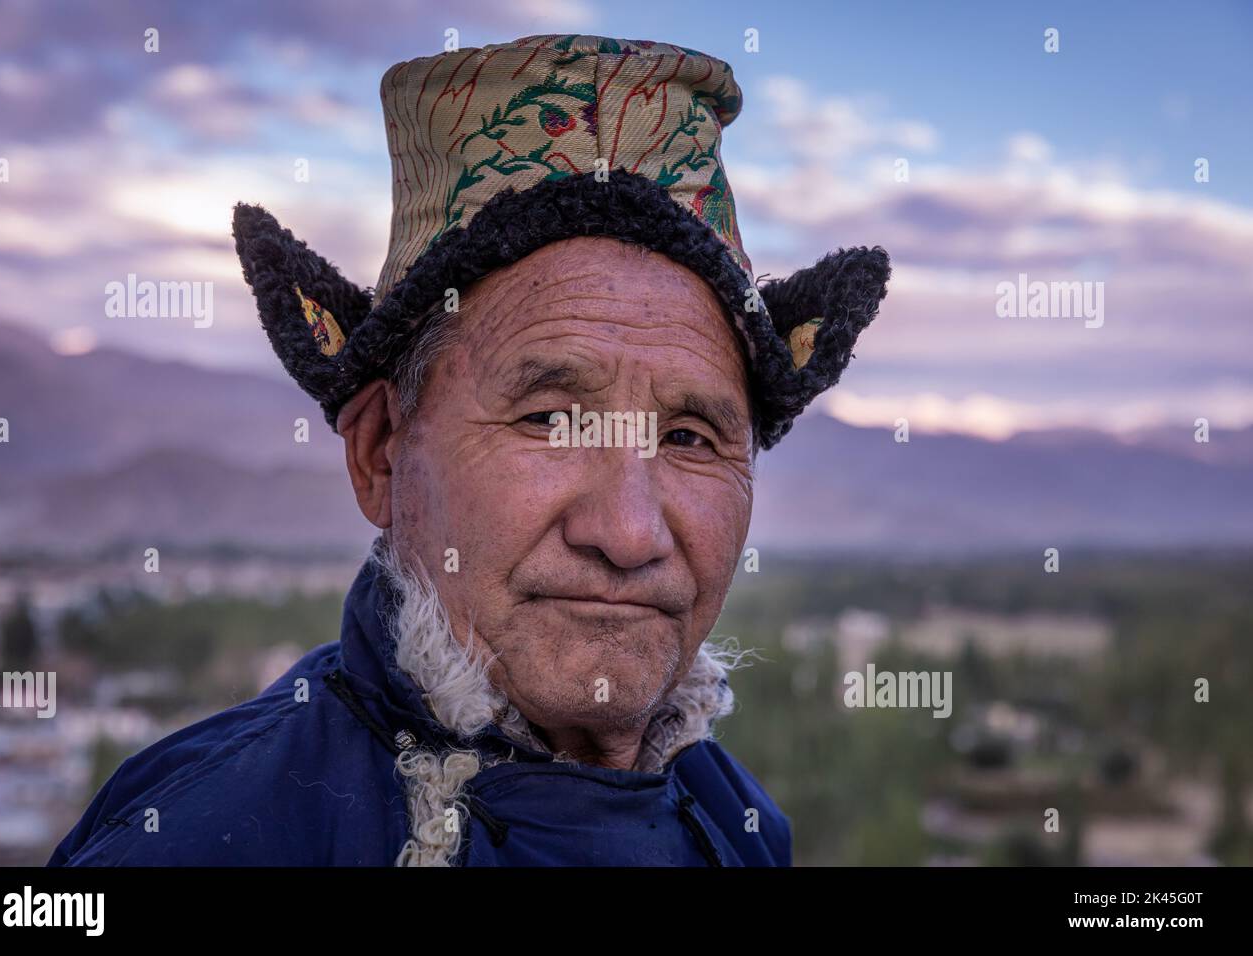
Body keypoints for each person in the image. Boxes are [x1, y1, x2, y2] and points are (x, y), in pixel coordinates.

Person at [49, 33, 890, 867]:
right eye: (551, 421)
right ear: (381, 453)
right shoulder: (207, 841)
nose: (631, 532)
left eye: (687, 437)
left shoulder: (736, 821)